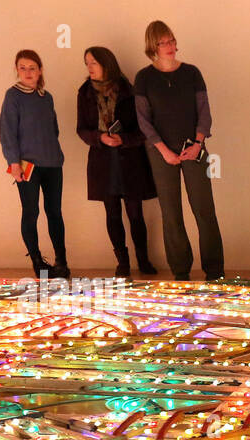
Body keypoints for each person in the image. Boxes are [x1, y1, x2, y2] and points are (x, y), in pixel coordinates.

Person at [133, 20, 224, 281]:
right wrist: (163, 151)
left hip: (193, 148)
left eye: (171, 40)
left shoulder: (192, 73)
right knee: (171, 212)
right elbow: (143, 120)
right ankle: (181, 272)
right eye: (163, 42)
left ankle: (215, 272)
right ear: (153, 46)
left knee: (204, 209)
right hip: (161, 152)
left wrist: (197, 144)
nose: (170, 46)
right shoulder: (144, 78)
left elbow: (204, 112)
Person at [77, 46, 157, 278]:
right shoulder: (84, 93)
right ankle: (122, 261)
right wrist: (99, 137)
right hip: (102, 160)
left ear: (106, 63)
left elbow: (144, 129)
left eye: (93, 63)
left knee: (135, 213)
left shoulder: (128, 90)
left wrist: (124, 139)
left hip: (130, 160)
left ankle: (143, 259)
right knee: (112, 213)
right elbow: (81, 129)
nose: (89, 68)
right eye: (87, 64)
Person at [0, 49, 68, 278]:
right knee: (31, 211)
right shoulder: (13, 96)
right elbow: (7, 131)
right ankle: (38, 262)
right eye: (23, 68)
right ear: (17, 70)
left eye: (32, 68)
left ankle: (61, 260)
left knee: (54, 212)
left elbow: (53, 129)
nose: (27, 72)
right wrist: (13, 162)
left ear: (40, 71)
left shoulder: (46, 97)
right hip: (27, 166)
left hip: (52, 163)